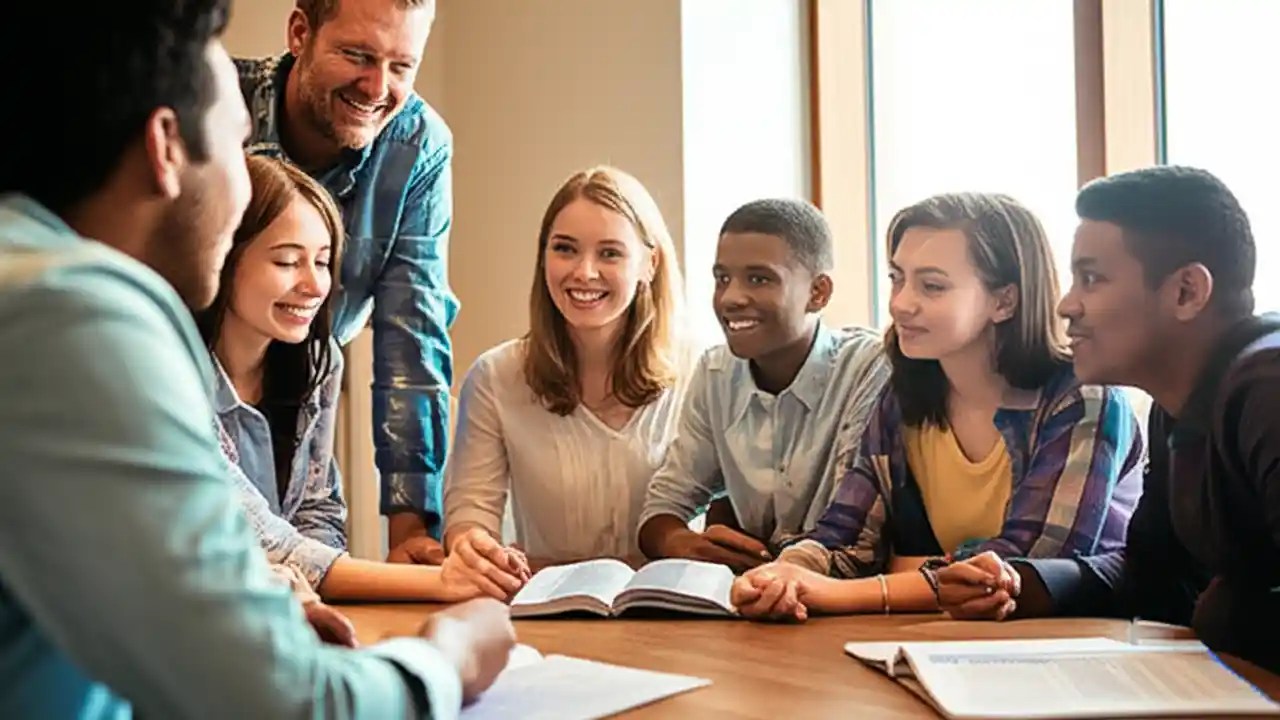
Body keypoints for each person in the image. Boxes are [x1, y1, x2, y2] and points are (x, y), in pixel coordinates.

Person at [0, 2, 513, 716]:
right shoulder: (73, 317)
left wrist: (242, 609)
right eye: (241, 147)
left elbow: (414, 334)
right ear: (166, 147)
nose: (258, 191)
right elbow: (288, 704)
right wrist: (448, 657)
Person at [732, 192, 1144, 621]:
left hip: (1085, 649)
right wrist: (783, 575)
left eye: (932, 286)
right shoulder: (903, 395)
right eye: (896, 278)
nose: (900, 304)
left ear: (1004, 301)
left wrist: (844, 593)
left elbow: (1023, 566)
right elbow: (847, 537)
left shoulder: (1083, 398)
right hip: (957, 641)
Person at [936, 167, 1280, 673]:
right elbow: (1154, 577)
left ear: (1186, 291)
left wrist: (1227, 608)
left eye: (1091, 279)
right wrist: (1021, 584)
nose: (1065, 304)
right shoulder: (1179, 403)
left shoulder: (1267, 389)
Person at [198, 154, 492, 602]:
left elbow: (318, 513)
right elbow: (259, 536)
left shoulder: (319, 361)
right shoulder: (173, 372)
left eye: (321, 261)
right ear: (225, 257)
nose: (315, 286)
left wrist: (313, 594)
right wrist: (443, 582)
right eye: (287, 261)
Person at [237, 0, 455, 563]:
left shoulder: (419, 147)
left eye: (402, 67)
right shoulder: (215, 109)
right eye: (357, 55)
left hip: (306, 397)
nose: (377, 86)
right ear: (299, 32)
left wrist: (411, 538)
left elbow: (413, 339)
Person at [442, 166, 686, 592]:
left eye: (610, 253)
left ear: (650, 262)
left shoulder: (704, 372)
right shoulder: (496, 376)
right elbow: (470, 516)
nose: (584, 272)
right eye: (565, 249)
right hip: (547, 609)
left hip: (677, 614)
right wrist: (478, 552)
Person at [637, 198, 889, 573]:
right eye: (722, 278)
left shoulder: (867, 366)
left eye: (759, 278)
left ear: (818, 293)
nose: (731, 298)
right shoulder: (715, 373)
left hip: (842, 601)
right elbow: (663, 507)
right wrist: (684, 543)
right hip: (760, 597)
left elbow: (848, 530)